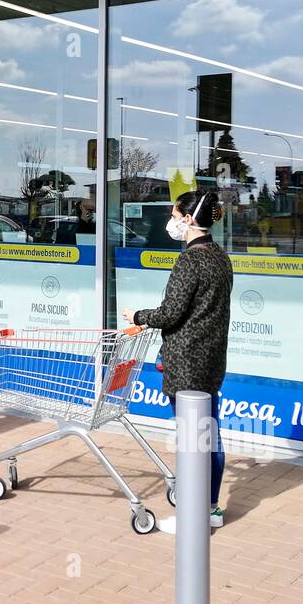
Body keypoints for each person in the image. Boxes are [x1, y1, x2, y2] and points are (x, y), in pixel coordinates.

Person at [122, 189, 232, 534]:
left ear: (188, 219)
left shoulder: (189, 260)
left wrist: (137, 314)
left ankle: (194, 518)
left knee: (192, 440)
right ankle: (210, 508)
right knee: (208, 434)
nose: (171, 222)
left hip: (187, 359)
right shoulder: (219, 256)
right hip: (212, 358)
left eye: (173, 215)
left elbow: (170, 313)